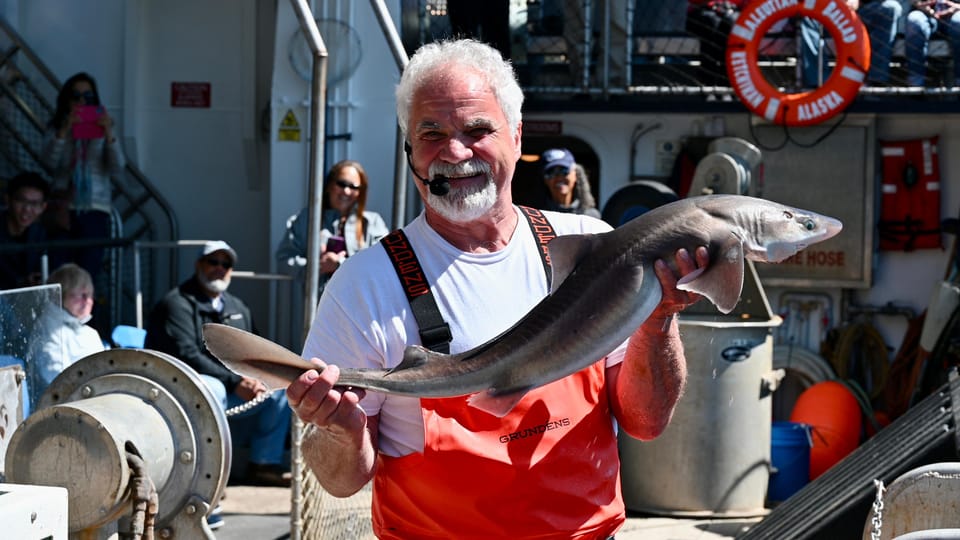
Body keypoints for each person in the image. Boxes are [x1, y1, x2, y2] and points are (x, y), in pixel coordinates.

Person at [286, 39, 708, 538]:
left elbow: (646, 422)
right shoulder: (364, 286)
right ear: (409, 150)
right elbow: (340, 481)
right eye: (432, 133)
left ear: (517, 134)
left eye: (478, 129)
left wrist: (658, 319)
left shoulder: (592, 249)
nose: (456, 151)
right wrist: (339, 429)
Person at [145, 240, 292, 487]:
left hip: (235, 387)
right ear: (199, 264)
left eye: (226, 264)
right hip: (185, 390)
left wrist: (260, 379)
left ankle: (264, 464)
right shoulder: (176, 303)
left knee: (280, 390)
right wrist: (235, 382)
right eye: (213, 262)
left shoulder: (238, 307)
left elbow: (256, 348)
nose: (219, 268)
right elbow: (187, 355)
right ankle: (206, 475)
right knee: (213, 388)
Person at [41, 72, 126, 280]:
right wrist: (64, 132)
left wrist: (108, 135)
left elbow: (117, 167)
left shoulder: (105, 127)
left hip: (94, 207)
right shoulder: (57, 127)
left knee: (88, 272)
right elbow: (48, 163)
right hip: (63, 207)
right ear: (66, 99)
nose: (81, 101)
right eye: (76, 96)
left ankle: (86, 311)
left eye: (88, 97)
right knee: (59, 271)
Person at [276, 159, 389, 296]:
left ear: (360, 192)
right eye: (341, 184)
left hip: (360, 307)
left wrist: (340, 264)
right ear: (329, 185)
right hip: (318, 308)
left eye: (353, 187)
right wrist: (316, 266)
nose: (346, 191)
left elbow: (384, 263)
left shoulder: (372, 223)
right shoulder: (306, 219)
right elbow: (284, 260)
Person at [28, 263, 105, 406]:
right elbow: (54, 375)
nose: (87, 301)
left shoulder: (90, 333)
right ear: (61, 295)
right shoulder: (47, 327)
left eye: (90, 295)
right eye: (81, 295)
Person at [800, 0, 903, 86]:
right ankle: (819, 84)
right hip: (826, 14)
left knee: (891, 8)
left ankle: (876, 81)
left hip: (858, 15)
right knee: (806, 14)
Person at [1, 172, 51, 290]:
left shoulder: (39, 234)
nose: (27, 209)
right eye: (21, 201)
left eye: (34, 204)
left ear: (43, 207)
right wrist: (21, 282)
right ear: (8, 200)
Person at [686, 1, 747, 86]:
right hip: (703, 11)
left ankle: (727, 84)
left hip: (731, 11)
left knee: (732, 24)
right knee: (710, 22)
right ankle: (708, 83)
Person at [903, 0, 960, 86]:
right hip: (924, 12)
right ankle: (916, 84)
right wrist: (919, 4)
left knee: (958, 22)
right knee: (914, 21)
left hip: (956, 11)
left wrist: (957, 6)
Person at [540, 148, 602, 218]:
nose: (559, 177)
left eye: (564, 171)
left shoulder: (590, 216)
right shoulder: (537, 216)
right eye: (551, 172)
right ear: (545, 179)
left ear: (575, 174)